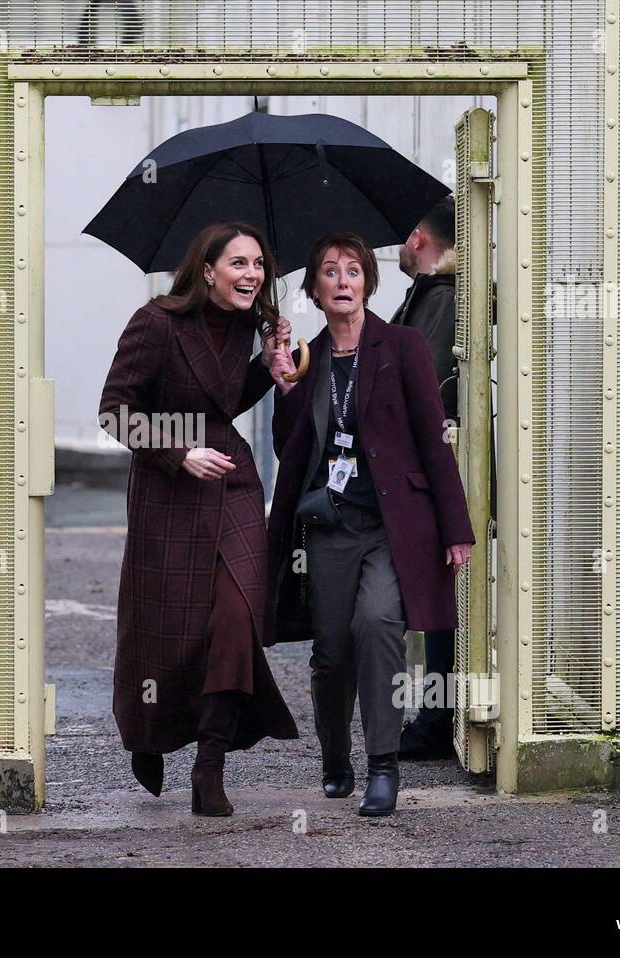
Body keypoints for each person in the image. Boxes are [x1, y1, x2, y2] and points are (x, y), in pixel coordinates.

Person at [264, 232, 474, 816]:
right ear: (315, 289)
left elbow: (435, 441)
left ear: (367, 284)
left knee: (380, 623)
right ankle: (336, 759)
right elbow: (290, 449)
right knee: (331, 652)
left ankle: (384, 767)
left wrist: (455, 527)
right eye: (329, 273)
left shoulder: (402, 345)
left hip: (393, 526)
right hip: (332, 526)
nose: (342, 281)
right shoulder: (309, 358)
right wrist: (285, 385)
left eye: (352, 271)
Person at [98, 221, 298, 817]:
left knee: (238, 616)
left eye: (259, 264)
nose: (252, 274)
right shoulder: (155, 322)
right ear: (207, 270)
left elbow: (225, 402)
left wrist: (270, 363)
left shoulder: (248, 327)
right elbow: (114, 411)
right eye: (238, 263)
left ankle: (210, 765)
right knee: (168, 627)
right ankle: (148, 732)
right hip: (170, 488)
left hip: (232, 481)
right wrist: (178, 453)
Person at [388, 196, 461, 760]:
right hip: (435, 469)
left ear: (418, 238)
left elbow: (425, 386)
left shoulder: (438, 299)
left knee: (438, 603)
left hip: (430, 472)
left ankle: (434, 724)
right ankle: (433, 719)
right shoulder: (434, 295)